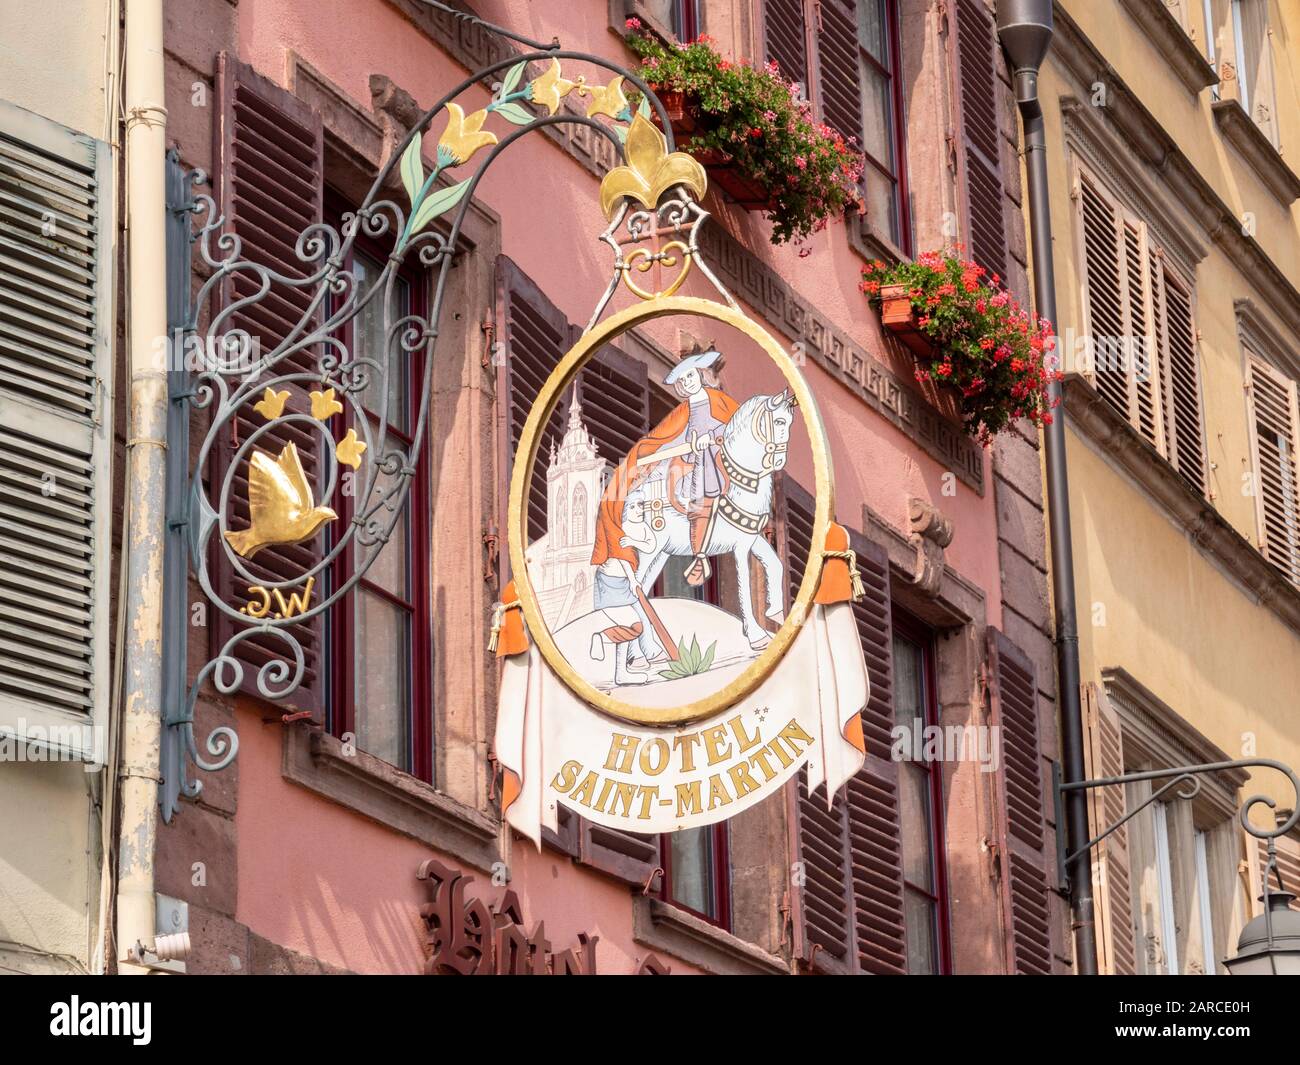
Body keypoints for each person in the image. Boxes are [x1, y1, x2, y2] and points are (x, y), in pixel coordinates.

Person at [590, 347, 738, 587]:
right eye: (683, 379)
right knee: (688, 492)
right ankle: (696, 554)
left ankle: (702, 552)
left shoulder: (721, 402)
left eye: (691, 375)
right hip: (693, 462)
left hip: (718, 462)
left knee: (708, 490)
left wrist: (713, 436)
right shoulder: (684, 411)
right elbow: (665, 438)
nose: (688, 382)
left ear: (701, 374)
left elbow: (737, 427)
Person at [589, 499, 664, 685]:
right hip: (611, 583)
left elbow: (651, 546)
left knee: (631, 626)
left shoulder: (640, 527)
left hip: (620, 583)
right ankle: (602, 639)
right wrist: (632, 580)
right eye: (631, 507)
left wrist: (634, 541)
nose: (638, 510)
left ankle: (621, 673)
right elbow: (621, 557)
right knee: (635, 626)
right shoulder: (620, 528)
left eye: (640, 505)